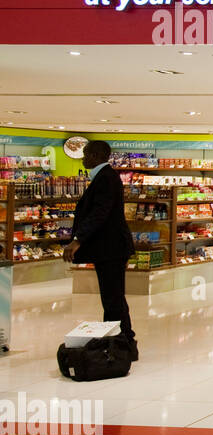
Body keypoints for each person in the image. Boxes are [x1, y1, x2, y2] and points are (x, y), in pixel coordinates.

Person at [62, 140, 138, 361]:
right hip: (110, 248)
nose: (83, 158)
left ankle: (123, 343)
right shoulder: (105, 177)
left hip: (111, 249)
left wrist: (77, 240)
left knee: (113, 298)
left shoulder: (106, 178)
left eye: (85, 153)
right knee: (113, 297)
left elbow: (100, 213)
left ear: (95, 155)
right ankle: (120, 341)